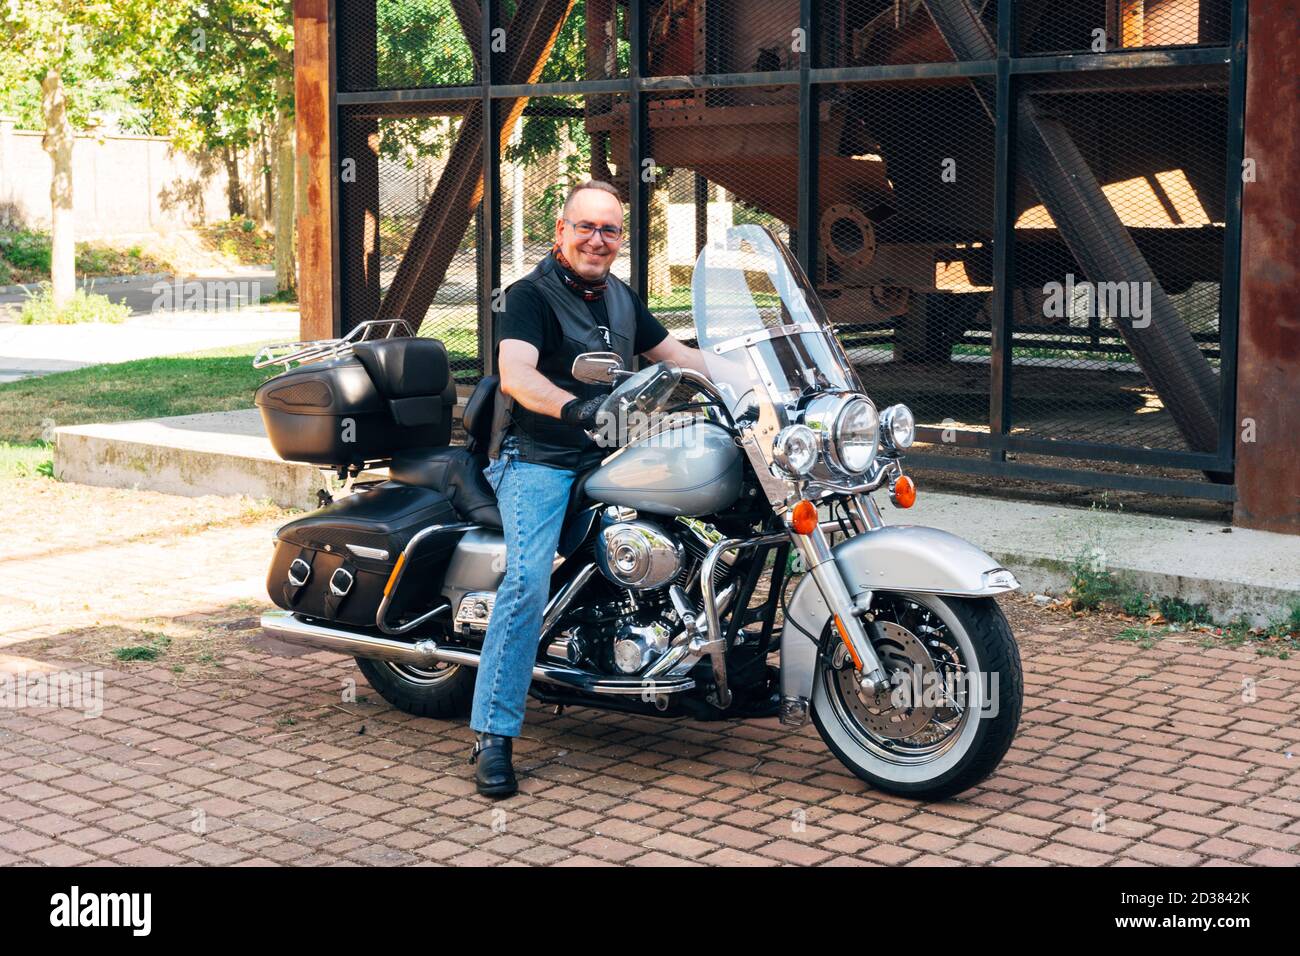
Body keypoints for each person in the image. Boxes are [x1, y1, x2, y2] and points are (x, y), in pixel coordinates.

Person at [468, 179, 711, 797]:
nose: (596, 240)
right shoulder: (529, 296)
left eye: (608, 230)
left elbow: (681, 357)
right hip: (539, 456)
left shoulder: (621, 299)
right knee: (528, 578)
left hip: (610, 453)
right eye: (585, 227)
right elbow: (517, 375)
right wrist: (573, 409)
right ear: (561, 230)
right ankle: (493, 734)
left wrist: (766, 375)